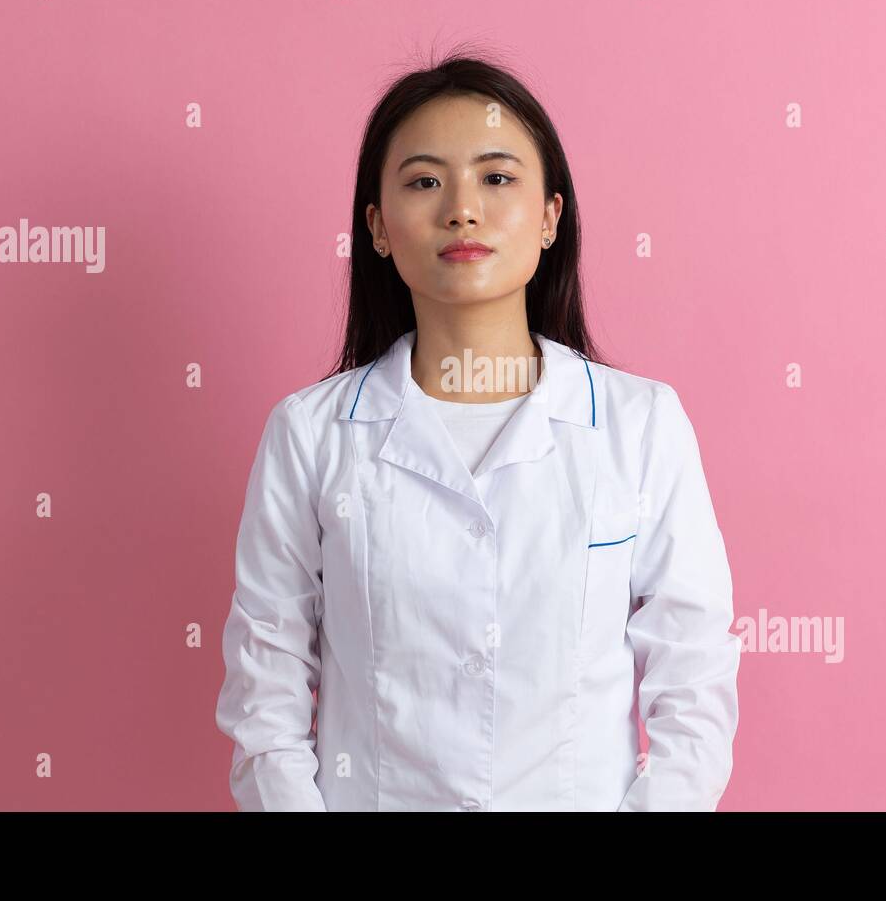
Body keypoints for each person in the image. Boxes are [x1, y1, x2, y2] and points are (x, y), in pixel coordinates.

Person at [214, 48, 741, 811]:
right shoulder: (310, 436)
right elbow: (266, 698)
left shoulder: (640, 426)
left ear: (551, 216)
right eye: (425, 181)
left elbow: (694, 684)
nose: (463, 208)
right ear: (379, 228)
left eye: (497, 178)